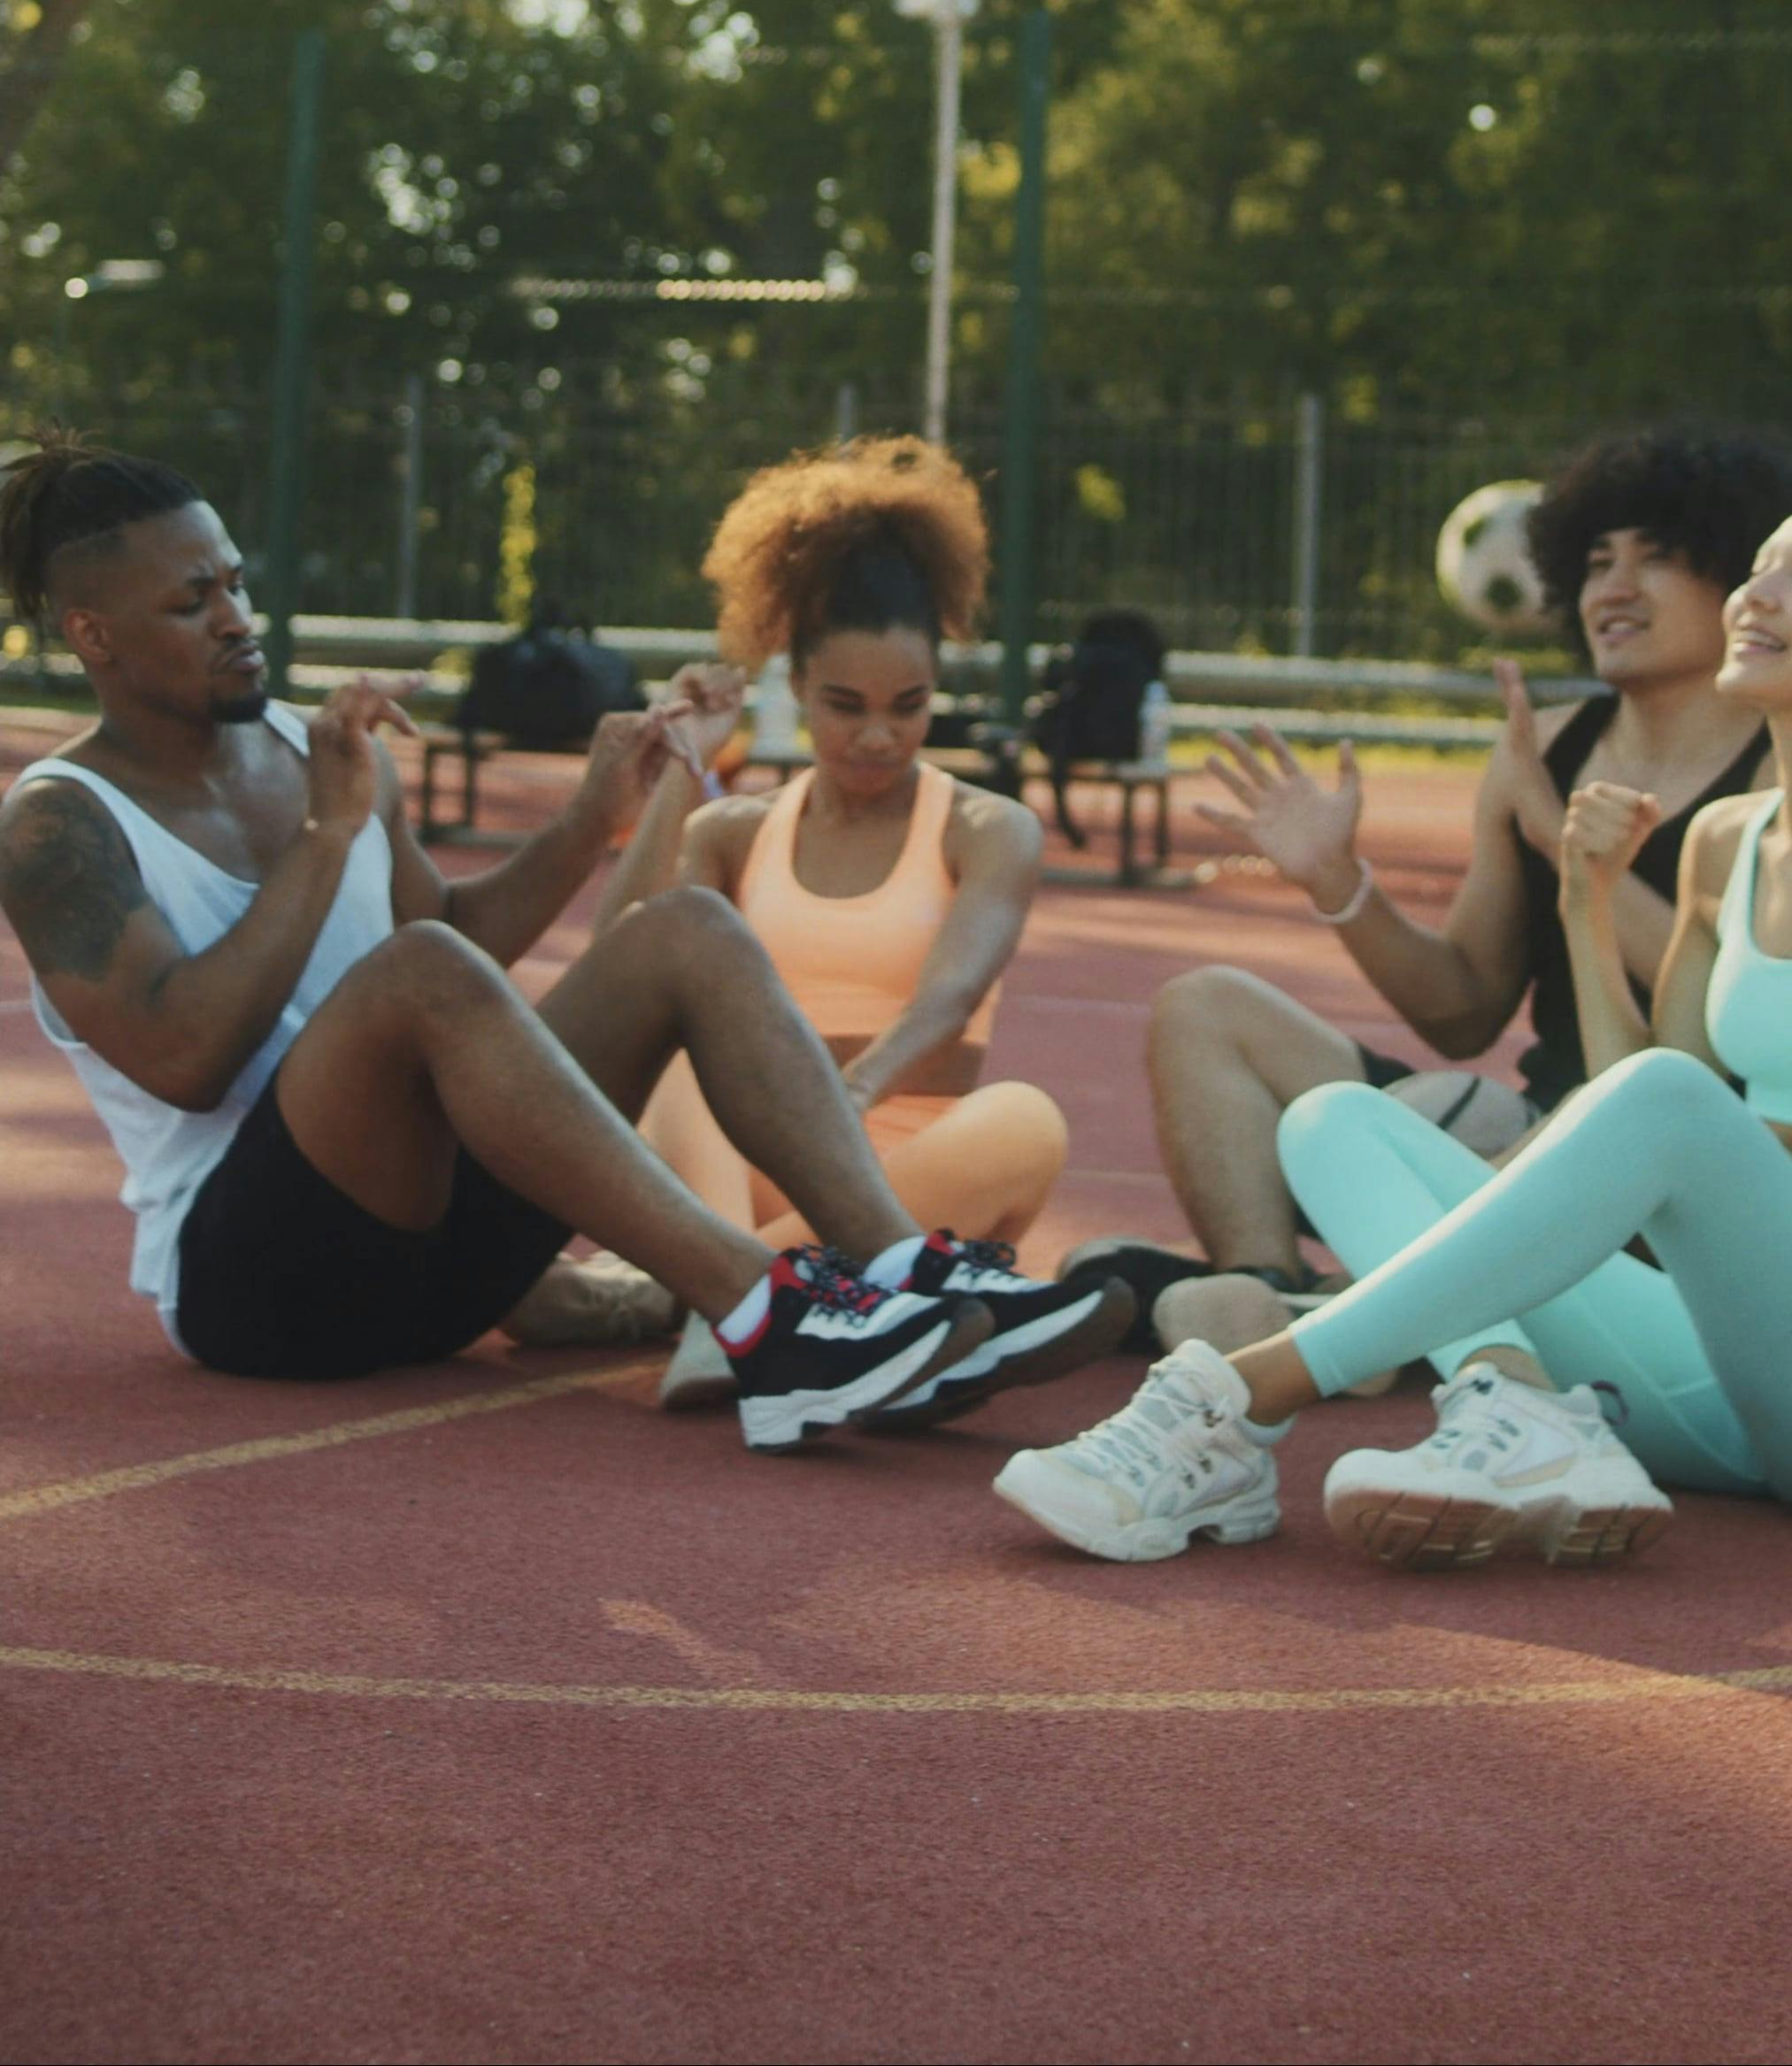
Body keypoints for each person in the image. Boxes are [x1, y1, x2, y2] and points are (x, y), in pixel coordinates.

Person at [0, 434, 1125, 1451]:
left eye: (236, 581)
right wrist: (325, 835)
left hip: (445, 1269)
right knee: (424, 977)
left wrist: (593, 820)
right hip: (268, 1294)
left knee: (684, 927)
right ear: (92, 633)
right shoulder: (61, 826)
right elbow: (186, 1056)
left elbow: (446, 937)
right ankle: (770, 1313)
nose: (238, 618)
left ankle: (901, 1276)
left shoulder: (317, 752)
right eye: (192, 602)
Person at [995, 501, 1792, 1571]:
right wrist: (1584, 900)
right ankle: (1523, 1411)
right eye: (1762, 569)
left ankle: (1242, 1394)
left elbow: (1680, 1121)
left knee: (1668, 1102)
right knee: (1335, 1121)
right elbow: (1646, 1108)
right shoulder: (1730, 844)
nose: (1763, 599)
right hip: (1726, 1383)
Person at [1063, 426, 1790, 1348]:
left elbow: (1728, 1013)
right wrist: (1339, 882)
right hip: (1525, 1123)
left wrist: (1561, 849)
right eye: (1597, 561)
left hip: (1670, 1153)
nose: (1613, 588)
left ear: (1734, 579)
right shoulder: (1546, 745)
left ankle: (1352, 1316)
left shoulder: (1773, 769)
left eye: (1656, 560)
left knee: (1581, 1118)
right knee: (1203, 1008)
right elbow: (1463, 1011)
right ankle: (1265, 1289)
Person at [627, 434, 1127, 1420]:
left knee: (1027, 1120)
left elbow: (949, 1000)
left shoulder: (990, 829)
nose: (877, 736)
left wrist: (844, 1100)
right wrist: (680, 772)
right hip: (738, 1166)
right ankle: (762, 1293)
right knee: (681, 1047)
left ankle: (723, 1300)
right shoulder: (733, 829)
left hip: (902, 1173)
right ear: (796, 690)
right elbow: (627, 964)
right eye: (844, 705)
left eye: (909, 707)